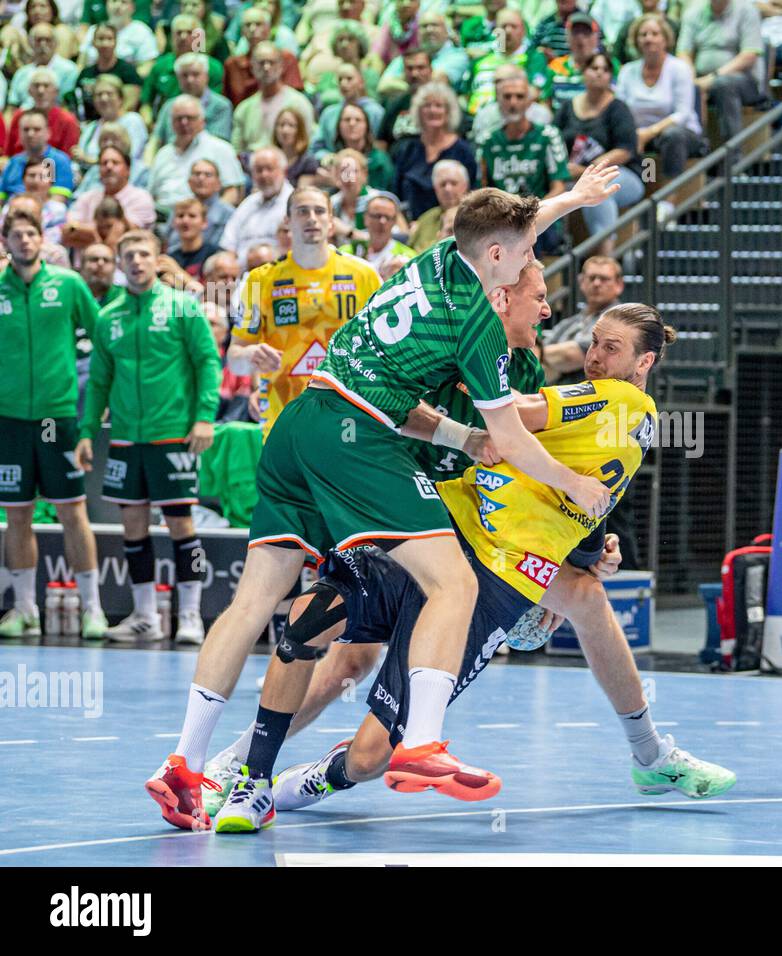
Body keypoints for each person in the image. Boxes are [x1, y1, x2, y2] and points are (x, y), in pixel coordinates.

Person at [144, 170, 621, 832]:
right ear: (496, 260)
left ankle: (184, 764)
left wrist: (573, 200)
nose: (533, 269)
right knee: (451, 583)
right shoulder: (479, 320)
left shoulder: (434, 258)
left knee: (257, 602)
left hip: (300, 426)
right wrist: (577, 488)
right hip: (360, 448)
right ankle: (420, 743)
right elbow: (511, 434)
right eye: (529, 259)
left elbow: (508, 234)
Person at [212, 291, 734, 831]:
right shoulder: (485, 364)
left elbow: (538, 443)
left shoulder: (616, 401)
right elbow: (569, 482)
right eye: (594, 343)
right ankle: (242, 771)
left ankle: (309, 778)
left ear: (644, 362)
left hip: (491, 573)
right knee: (311, 620)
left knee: (369, 756)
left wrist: (582, 554)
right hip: (436, 527)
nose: (594, 355)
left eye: (611, 348)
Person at [75, 230, 220, 644]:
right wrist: (87, 432)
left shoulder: (183, 307)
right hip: (124, 438)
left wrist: (204, 418)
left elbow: (208, 362)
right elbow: (99, 382)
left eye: (144, 254)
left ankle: (189, 615)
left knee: (180, 523)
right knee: (132, 525)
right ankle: (145, 616)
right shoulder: (109, 317)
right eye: (129, 255)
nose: (136, 261)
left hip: (171, 435)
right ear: (120, 263)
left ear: (157, 259)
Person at [0, 207, 108, 639]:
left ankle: (93, 610)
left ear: (42, 240)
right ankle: (24, 608)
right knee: (17, 515)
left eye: (31, 234)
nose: (25, 241)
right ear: (5, 242)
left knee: (72, 511)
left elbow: (104, 339)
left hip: (57, 416)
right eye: (16, 235)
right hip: (7, 419)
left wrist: (93, 408)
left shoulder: (68, 284)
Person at [226, 185, 382, 441]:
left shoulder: (364, 275)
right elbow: (235, 358)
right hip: (284, 419)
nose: (311, 218)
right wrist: (252, 355)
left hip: (348, 418)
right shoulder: (259, 281)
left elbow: (383, 351)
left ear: (331, 222)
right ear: (287, 221)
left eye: (320, 211)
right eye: (302, 211)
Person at [616, 13, 705, 222]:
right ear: (636, 41)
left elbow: (682, 114)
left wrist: (649, 133)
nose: (649, 38)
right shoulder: (628, 71)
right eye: (643, 34)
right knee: (625, 143)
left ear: (665, 39)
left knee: (671, 136)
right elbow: (620, 109)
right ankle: (640, 201)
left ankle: (668, 201)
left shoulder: (679, 69)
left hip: (680, 133)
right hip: (639, 134)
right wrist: (635, 133)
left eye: (655, 33)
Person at [555, 51, 645, 253]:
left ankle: (606, 257)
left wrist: (586, 170)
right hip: (571, 175)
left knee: (597, 189)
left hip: (619, 175)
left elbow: (625, 150)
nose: (599, 73)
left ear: (610, 77)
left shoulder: (618, 108)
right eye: (594, 68)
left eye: (605, 70)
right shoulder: (567, 107)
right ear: (583, 72)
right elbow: (552, 140)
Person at [479, 74, 571, 255]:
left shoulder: (547, 135)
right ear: (498, 101)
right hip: (500, 219)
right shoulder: (487, 141)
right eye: (507, 97)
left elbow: (559, 187)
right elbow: (482, 190)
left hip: (540, 216)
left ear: (530, 102)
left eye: (519, 96)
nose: (513, 102)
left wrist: (530, 214)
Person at [677, 0, 766, 143]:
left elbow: (749, 55)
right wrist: (691, 80)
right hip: (701, 78)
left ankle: (732, 156)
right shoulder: (693, 12)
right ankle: (698, 147)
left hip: (744, 81)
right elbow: (683, 53)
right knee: (686, 86)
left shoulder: (747, 10)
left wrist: (712, 78)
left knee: (723, 85)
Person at [391, 80, 476, 219]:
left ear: (448, 112)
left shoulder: (463, 151)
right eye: (427, 105)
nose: (433, 110)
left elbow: (472, 195)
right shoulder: (407, 150)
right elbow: (396, 194)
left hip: (452, 223)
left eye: (438, 105)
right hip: (411, 227)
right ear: (418, 112)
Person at [147, 96, 244, 215]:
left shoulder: (220, 149)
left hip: (202, 218)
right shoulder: (163, 153)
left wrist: (210, 217)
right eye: (179, 118)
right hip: (162, 216)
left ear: (202, 121)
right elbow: (151, 195)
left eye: (190, 118)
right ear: (171, 122)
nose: (184, 123)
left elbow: (233, 192)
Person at [543, 254, 624, 384]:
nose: (596, 283)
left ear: (619, 285)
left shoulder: (620, 320)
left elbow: (571, 356)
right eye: (591, 278)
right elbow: (540, 352)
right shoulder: (570, 323)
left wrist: (541, 356)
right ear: (581, 282)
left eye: (604, 279)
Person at [464, 7, 553, 118]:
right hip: (473, 118)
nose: (508, 31)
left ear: (523, 31)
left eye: (513, 26)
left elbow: (534, 92)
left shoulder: (533, 58)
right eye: (503, 26)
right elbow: (465, 95)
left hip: (511, 117)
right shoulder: (481, 59)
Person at [231, 42, 315, 154]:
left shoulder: (299, 103)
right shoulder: (244, 109)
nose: (266, 67)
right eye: (261, 63)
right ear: (252, 68)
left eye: (271, 62)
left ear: (281, 66)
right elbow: (237, 151)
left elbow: (308, 144)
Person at [63, 145, 156, 246]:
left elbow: (130, 235)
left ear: (128, 169)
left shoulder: (140, 198)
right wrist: (95, 231)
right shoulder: (87, 197)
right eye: (104, 163)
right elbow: (67, 232)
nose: (109, 167)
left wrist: (83, 231)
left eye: (115, 163)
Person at [138, 15, 224, 124]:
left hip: (202, 122)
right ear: (171, 38)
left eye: (189, 32)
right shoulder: (160, 65)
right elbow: (146, 102)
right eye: (178, 33)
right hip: (166, 122)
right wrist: (149, 123)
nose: (183, 37)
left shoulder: (212, 67)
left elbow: (213, 104)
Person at [147, 52, 234, 150]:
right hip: (172, 158)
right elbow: (155, 140)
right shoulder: (169, 106)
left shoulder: (221, 106)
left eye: (195, 74)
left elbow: (218, 143)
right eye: (184, 75)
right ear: (178, 79)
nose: (190, 80)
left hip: (207, 159)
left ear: (206, 76)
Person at [220, 146, 292, 263]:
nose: (264, 175)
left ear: (284, 171)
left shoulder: (294, 203)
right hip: (241, 274)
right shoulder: (248, 203)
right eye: (258, 170)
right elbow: (229, 244)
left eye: (269, 169)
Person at [222, 8, 304, 107]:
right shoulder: (232, 65)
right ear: (242, 31)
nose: (252, 29)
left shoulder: (286, 59)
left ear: (269, 28)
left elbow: (294, 98)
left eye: (258, 24)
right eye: (247, 25)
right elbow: (227, 102)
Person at [316, 102, 394, 194]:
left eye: (358, 120)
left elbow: (383, 195)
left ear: (367, 126)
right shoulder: (332, 160)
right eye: (347, 119)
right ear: (338, 126)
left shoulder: (379, 160)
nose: (352, 123)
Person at [70, 75, 147, 168]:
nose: (104, 99)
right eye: (99, 95)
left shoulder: (132, 120)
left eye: (109, 94)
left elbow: (132, 156)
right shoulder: (91, 128)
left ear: (120, 98)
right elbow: (79, 158)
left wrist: (90, 160)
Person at [71, 21, 143, 120]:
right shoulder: (85, 74)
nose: (105, 43)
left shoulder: (128, 72)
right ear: (93, 42)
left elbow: (129, 105)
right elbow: (76, 102)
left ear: (116, 42)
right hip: (89, 124)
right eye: (101, 39)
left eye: (109, 39)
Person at [0, 110, 74, 202]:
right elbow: (1, 197)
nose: (30, 134)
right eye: (26, 129)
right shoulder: (13, 162)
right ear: (19, 133)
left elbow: (58, 200)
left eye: (37, 129)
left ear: (48, 133)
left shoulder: (59, 161)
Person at [5, 68, 79, 156]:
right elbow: (8, 154)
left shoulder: (67, 120)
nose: (41, 91)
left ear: (56, 92)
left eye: (46, 86)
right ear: (29, 91)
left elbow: (68, 158)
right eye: (36, 85)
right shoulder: (20, 116)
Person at [339, 192, 414, 277]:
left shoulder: (408, 257)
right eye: (377, 216)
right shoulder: (346, 253)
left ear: (394, 221)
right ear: (365, 218)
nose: (382, 222)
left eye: (388, 217)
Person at [6, 24, 79, 111]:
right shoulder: (21, 73)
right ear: (30, 44)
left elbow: (68, 106)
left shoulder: (69, 70)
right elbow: (12, 106)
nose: (43, 44)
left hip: (54, 119)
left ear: (56, 43)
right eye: (38, 40)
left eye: (48, 40)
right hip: (24, 119)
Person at [409, 157, 468, 252]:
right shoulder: (425, 218)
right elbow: (409, 253)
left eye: (453, 183)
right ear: (435, 189)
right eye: (443, 184)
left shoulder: (475, 216)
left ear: (465, 186)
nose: (448, 189)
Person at [547, 11, 604, 109]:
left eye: (586, 32)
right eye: (575, 32)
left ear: (596, 37)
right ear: (567, 37)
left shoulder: (608, 65)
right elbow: (546, 100)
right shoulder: (556, 66)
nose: (580, 38)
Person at [78, 0, 158, 69]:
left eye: (124, 2)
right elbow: (81, 63)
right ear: (106, 5)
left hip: (126, 81)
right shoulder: (94, 30)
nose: (117, 6)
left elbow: (148, 65)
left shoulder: (142, 31)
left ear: (132, 8)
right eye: (113, 1)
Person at [167, 197, 221, 279]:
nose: (185, 220)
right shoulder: (170, 259)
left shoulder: (216, 255)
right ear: (174, 223)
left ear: (204, 223)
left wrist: (177, 273)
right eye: (180, 216)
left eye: (192, 216)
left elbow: (217, 290)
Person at [269, 107, 319, 188]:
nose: (285, 130)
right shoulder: (269, 158)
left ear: (300, 130)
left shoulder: (307, 161)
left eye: (291, 125)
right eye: (281, 125)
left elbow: (301, 193)